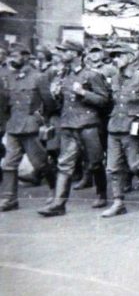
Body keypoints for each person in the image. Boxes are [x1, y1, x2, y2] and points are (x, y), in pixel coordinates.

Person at [38, 40, 111, 217]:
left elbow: (104, 100)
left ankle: (101, 194)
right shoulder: (63, 76)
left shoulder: (92, 75)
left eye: (66, 51)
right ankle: (58, 204)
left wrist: (84, 93)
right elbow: (60, 103)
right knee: (64, 164)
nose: (62, 54)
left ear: (76, 54)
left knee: (95, 162)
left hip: (88, 125)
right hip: (68, 125)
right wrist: (56, 94)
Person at [101, 44, 139, 217]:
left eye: (119, 55)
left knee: (136, 165)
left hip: (133, 127)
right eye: (114, 56)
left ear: (130, 57)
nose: (116, 59)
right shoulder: (114, 78)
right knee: (113, 167)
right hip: (115, 126)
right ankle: (118, 202)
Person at [0, 43, 57, 212]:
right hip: (13, 126)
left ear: (26, 57)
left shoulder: (38, 77)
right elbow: (5, 103)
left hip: (31, 127)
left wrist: (41, 120)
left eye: (15, 56)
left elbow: (49, 102)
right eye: (10, 56)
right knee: (9, 164)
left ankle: (55, 190)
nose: (12, 59)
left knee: (40, 163)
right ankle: (10, 199)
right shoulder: (8, 77)